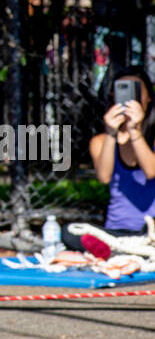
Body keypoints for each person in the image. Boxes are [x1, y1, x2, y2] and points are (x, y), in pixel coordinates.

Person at [63, 65, 155, 256]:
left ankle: (128, 251)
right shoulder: (100, 142)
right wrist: (112, 133)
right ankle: (129, 250)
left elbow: (151, 171)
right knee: (70, 232)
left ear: (148, 98)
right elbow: (104, 176)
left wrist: (134, 131)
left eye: (137, 92)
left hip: (151, 229)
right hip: (116, 233)